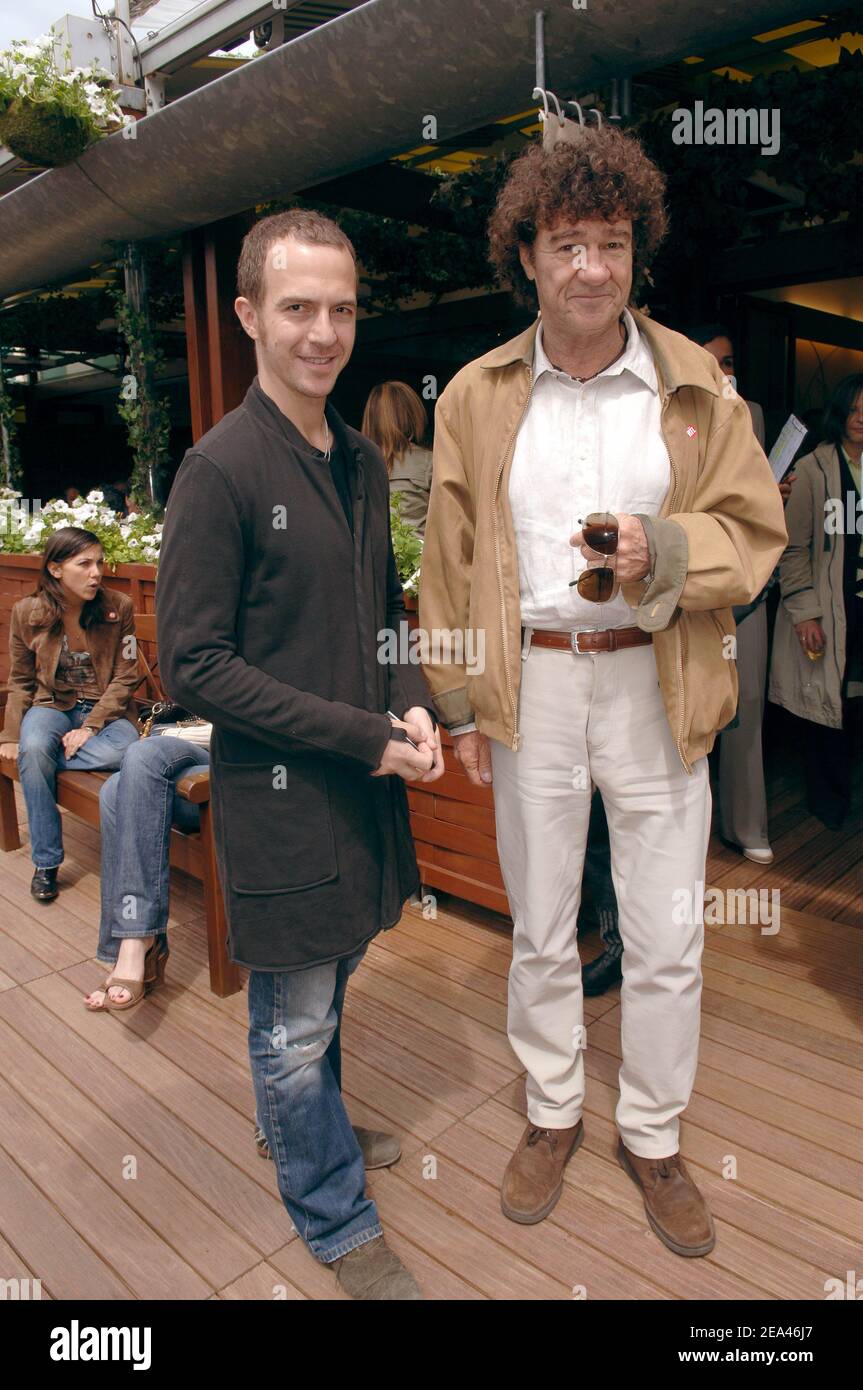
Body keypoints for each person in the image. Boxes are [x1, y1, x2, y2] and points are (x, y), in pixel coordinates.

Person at [420, 124, 787, 1256]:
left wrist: (663, 552)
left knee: (667, 931)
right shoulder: (475, 395)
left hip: (655, 679)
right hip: (530, 687)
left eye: (611, 243)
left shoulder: (694, 384)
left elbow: (753, 534)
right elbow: (449, 561)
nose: (589, 266)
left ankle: (654, 1133)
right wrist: (460, 703)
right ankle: (549, 1112)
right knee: (538, 927)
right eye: (566, 243)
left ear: (636, 253)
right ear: (526, 254)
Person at [155, 208, 444, 1300]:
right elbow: (194, 667)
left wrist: (408, 704)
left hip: (358, 793)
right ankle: (331, 1212)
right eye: (297, 308)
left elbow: (384, 617)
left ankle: (303, 1123)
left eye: (341, 307)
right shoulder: (218, 470)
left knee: (327, 983)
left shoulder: (362, 461)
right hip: (282, 801)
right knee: (292, 1017)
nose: (324, 331)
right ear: (247, 317)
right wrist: (364, 735)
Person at [689, 323, 795, 865]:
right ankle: (687, 836)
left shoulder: (750, 414)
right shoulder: (670, 412)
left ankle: (746, 822)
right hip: (686, 587)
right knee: (687, 709)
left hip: (744, 587)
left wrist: (770, 497)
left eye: (729, 362)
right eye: (713, 362)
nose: (724, 372)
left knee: (744, 704)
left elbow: (752, 504)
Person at [0, 526, 141, 901]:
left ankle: (43, 761)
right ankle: (46, 862)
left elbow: (128, 674)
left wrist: (92, 727)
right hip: (53, 707)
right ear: (56, 569)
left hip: (105, 713)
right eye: (85, 564)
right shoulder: (26, 613)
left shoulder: (119, 607)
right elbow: (20, 679)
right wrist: (11, 734)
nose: (97, 572)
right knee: (31, 746)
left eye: (99, 562)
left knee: (125, 751)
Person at [769, 374, 863, 830]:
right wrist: (804, 610)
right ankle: (829, 804)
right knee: (828, 706)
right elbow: (793, 548)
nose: (861, 419)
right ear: (840, 414)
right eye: (854, 409)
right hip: (831, 606)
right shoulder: (812, 469)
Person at [82, 727, 210, 1011]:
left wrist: (170, 734)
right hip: (185, 745)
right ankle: (136, 943)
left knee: (142, 753)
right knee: (113, 790)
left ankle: (135, 941)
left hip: (227, 758)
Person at [362, 381, 433, 534]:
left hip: (371, 556)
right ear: (413, 416)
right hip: (418, 555)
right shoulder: (429, 462)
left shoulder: (354, 465)